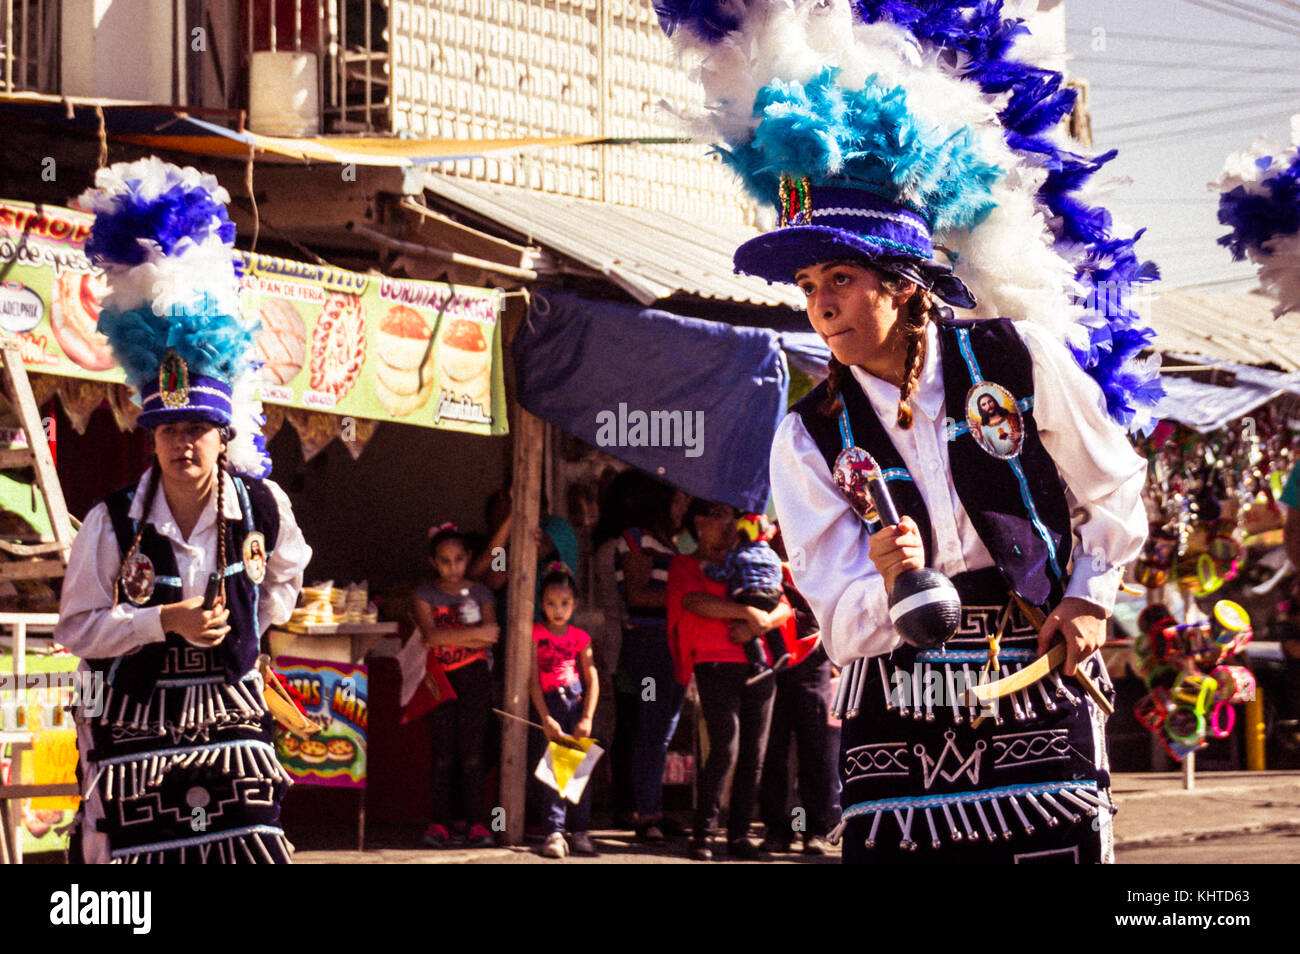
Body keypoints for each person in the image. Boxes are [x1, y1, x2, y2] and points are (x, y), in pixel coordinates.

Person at [755, 198, 1147, 863]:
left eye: (840, 280)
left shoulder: (1015, 354)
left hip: (1036, 665)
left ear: (904, 284)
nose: (821, 305)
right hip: (898, 699)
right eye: (808, 286)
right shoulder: (806, 434)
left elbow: (1113, 484)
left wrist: (1089, 595)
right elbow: (842, 627)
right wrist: (886, 581)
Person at [55, 157, 312, 864]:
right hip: (137, 729)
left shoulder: (262, 504)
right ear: (152, 439)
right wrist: (160, 621)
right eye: (168, 431)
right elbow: (76, 629)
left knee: (249, 848)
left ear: (220, 435)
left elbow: (288, 574)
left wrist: (252, 629)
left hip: (233, 721)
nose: (181, 444)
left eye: (195, 430)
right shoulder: (112, 521)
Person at [667, 498, 796, 861]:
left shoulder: (756, 557)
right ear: (700, 523)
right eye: (720, 516)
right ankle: (703, 836)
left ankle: (739, 836)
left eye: (731, 516)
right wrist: (746, 612)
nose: (729, 524)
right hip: (715, 663)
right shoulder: (686, 563)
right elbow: (693, 601)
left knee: (756, 752)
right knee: (725, 748)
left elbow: (785, 603)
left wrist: (763, 623)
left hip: (762, 664)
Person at [414, 523, 500, 848]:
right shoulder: (424, 594)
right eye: (445, 561)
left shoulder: (481, 592)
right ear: (434, 562)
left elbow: (493, 632)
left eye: (459, 559)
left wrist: (448, 637)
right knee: (443, 754)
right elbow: (430, 636)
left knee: (473, 754)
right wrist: (473, 635)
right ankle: (440, 823)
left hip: (475, 680)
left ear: (468, 559)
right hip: (440, 682)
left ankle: (476, 823)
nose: (453, 567)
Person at [612, 475, 689, 841]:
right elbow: (639, 595)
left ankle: (653, 808)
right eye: (677, 501)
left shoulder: (672, 545)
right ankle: (645, 814)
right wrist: (686, 602)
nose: (683, 509)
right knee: (648, 726)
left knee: (663, 730)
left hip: (672, 646)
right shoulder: (634, 538)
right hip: (647, 648)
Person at [757, 541, 835, 856]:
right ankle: (777, 828)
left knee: (815, 750)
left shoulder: (822, 550)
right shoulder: (760, 553)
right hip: (771, 663)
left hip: (814, 663)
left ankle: (814, 829)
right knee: (772, 753)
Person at [529, 563, 599, 858]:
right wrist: (546, 718)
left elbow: (592, 676)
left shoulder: (581, 637)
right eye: (551, 603)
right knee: (556, 773)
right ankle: (555, 832)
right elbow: (533, 681)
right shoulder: (534, 634)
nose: (558, 610)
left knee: (578, 771)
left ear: (575, 604)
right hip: (551, 706)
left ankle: (580, 830)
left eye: (565, 603)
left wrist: (587, 717)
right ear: (541, 604)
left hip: (575, 703)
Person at [703, 512, 791, 683]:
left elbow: (724, 574)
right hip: (773, 594)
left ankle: (759, 664)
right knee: (770, 625)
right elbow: (779, 575)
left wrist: (707, 569)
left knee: (746, 626)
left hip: (748, 594)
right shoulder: (772, 555)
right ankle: (781, 652)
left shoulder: (738, 553)